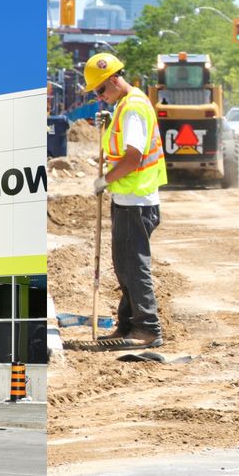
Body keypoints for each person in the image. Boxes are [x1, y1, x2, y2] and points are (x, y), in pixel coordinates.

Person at [73, 52, 168, 351]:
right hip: (129, 199)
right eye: (96, 92)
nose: (99, 97)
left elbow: (133, 157)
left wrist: (105, 180)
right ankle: (127, 325)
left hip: (136, 201)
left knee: (134, 267)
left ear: (114, 79)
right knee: (124, 266)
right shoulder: (124, 105)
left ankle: (147, 328)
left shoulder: (133, 109)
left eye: (101, 89)